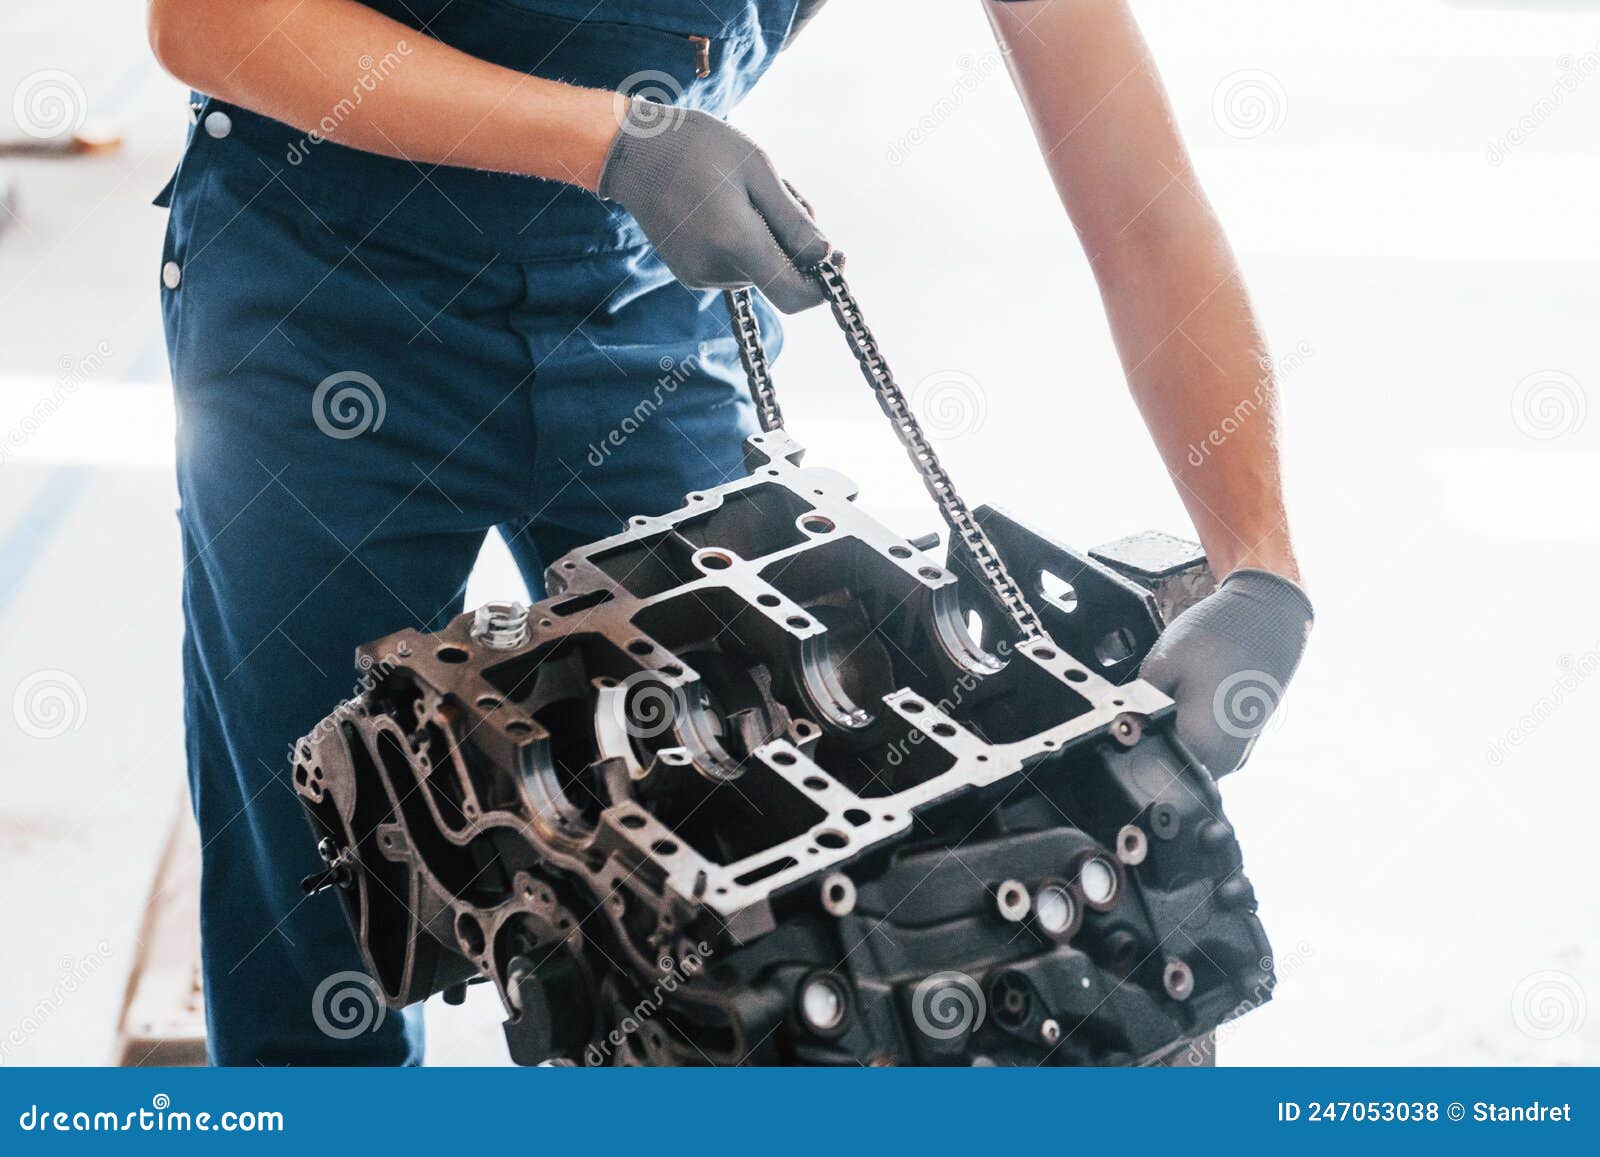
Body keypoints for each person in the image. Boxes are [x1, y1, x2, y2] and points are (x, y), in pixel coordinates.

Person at [145, 0, 1312, 1065]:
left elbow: (1141, 205)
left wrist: (1259, 565)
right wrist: (612, 141)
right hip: (326, 287)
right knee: (322, 863)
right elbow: (212, 18)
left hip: (639, 281)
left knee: (771, 825)